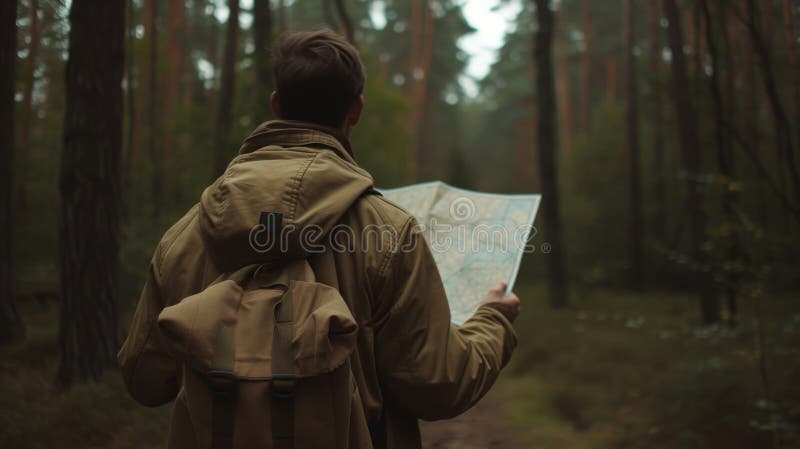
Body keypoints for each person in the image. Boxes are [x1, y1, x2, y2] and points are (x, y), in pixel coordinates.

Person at [118, 29, 520, 449]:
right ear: (356, 110)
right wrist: (493, 319)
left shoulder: (184, 236)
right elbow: (437, 385)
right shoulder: (389, 231)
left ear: (276, 104)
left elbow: (145, 382)